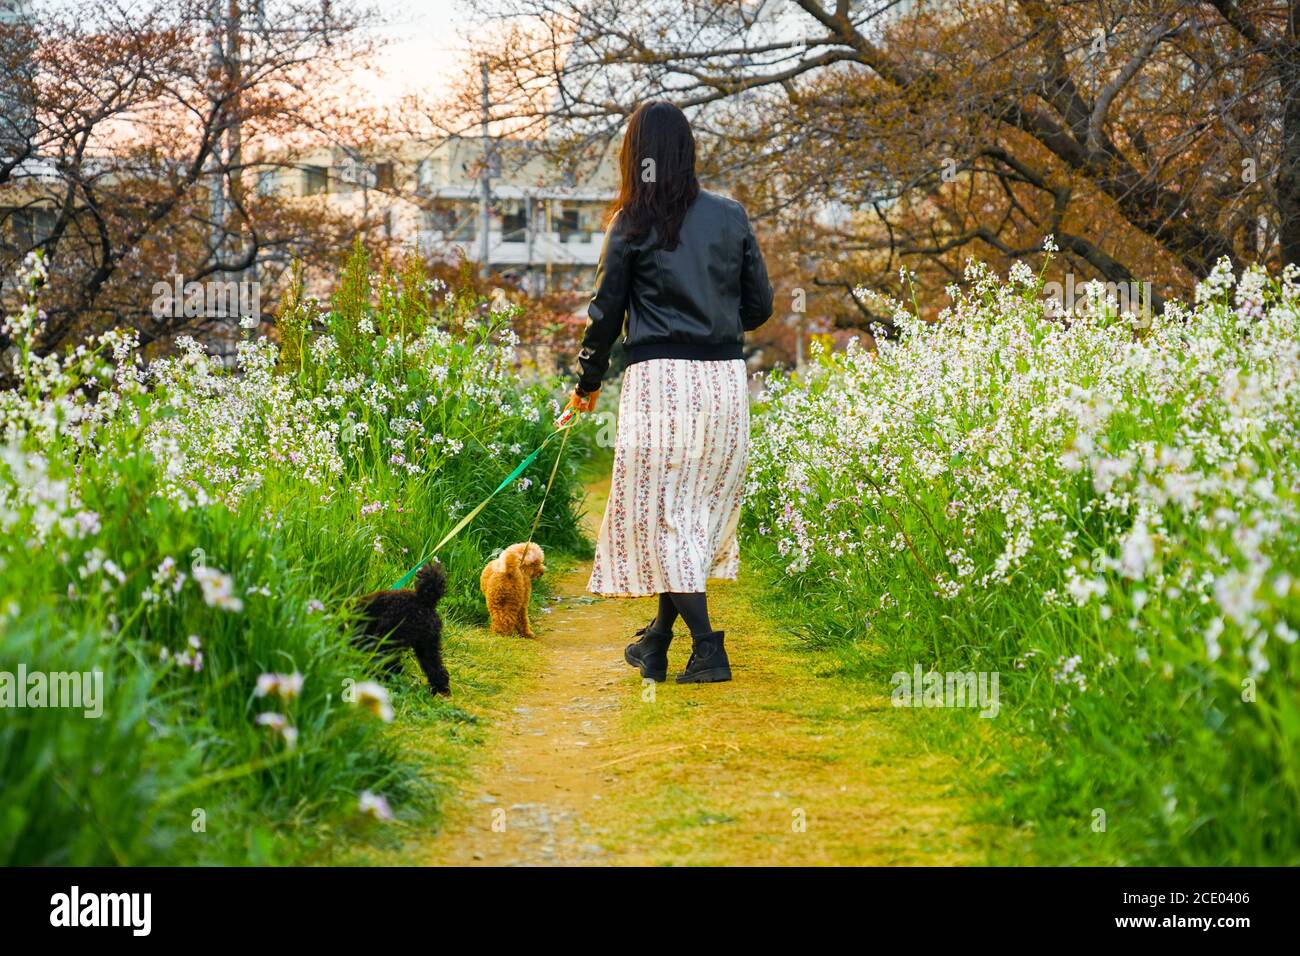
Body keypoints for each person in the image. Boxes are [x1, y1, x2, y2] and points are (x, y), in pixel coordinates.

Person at [566, 100, 773, 684]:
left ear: (637, 155)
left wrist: (586, 383)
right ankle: (656, 642)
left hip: (661, 385)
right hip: (726, 384)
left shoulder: (631, 221)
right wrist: (715, 316)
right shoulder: (730, 216)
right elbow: (760, 306)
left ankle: (708, 649)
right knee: (689, 513)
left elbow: (605, 313)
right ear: (687, 151)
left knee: (668, 516)